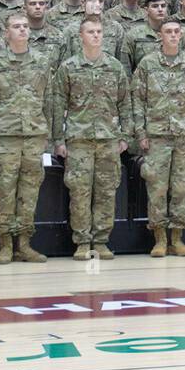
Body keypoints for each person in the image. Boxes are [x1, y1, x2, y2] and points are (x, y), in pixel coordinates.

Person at [52, 16, 132, 260]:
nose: (96, 35)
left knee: (107, 191)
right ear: (80, 36)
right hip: (79, 139)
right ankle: (83, 241)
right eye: (91, 32)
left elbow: (125, 102)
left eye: (99, 31)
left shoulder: (115, 66)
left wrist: (125, 135)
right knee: (80, 192)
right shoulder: (69, 67)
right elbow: (58, 104)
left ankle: (102, 240)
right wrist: (58, 139)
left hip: (108, 139)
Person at [0, 13, 52, 265]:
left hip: (34, 134)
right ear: (6, 32)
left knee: (30, 191)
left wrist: (49, 135)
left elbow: (50, 100)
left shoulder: (42, 61)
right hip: (4, 135)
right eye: (16, 26)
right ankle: (5, 245)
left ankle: (24, 243)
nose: (22, 30)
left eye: (24, 26)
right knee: (4, 189)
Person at [132, 17, 185, 257]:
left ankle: (178, 237)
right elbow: (138, 100)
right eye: (168, 32)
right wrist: (141, 133)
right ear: (160, 36)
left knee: (183, 187)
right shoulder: (147, 64)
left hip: (184, 135)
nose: (173, 35)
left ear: (181, 35)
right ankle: (160, 238)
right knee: (157, 187)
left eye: (176, 31)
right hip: (157, 135)